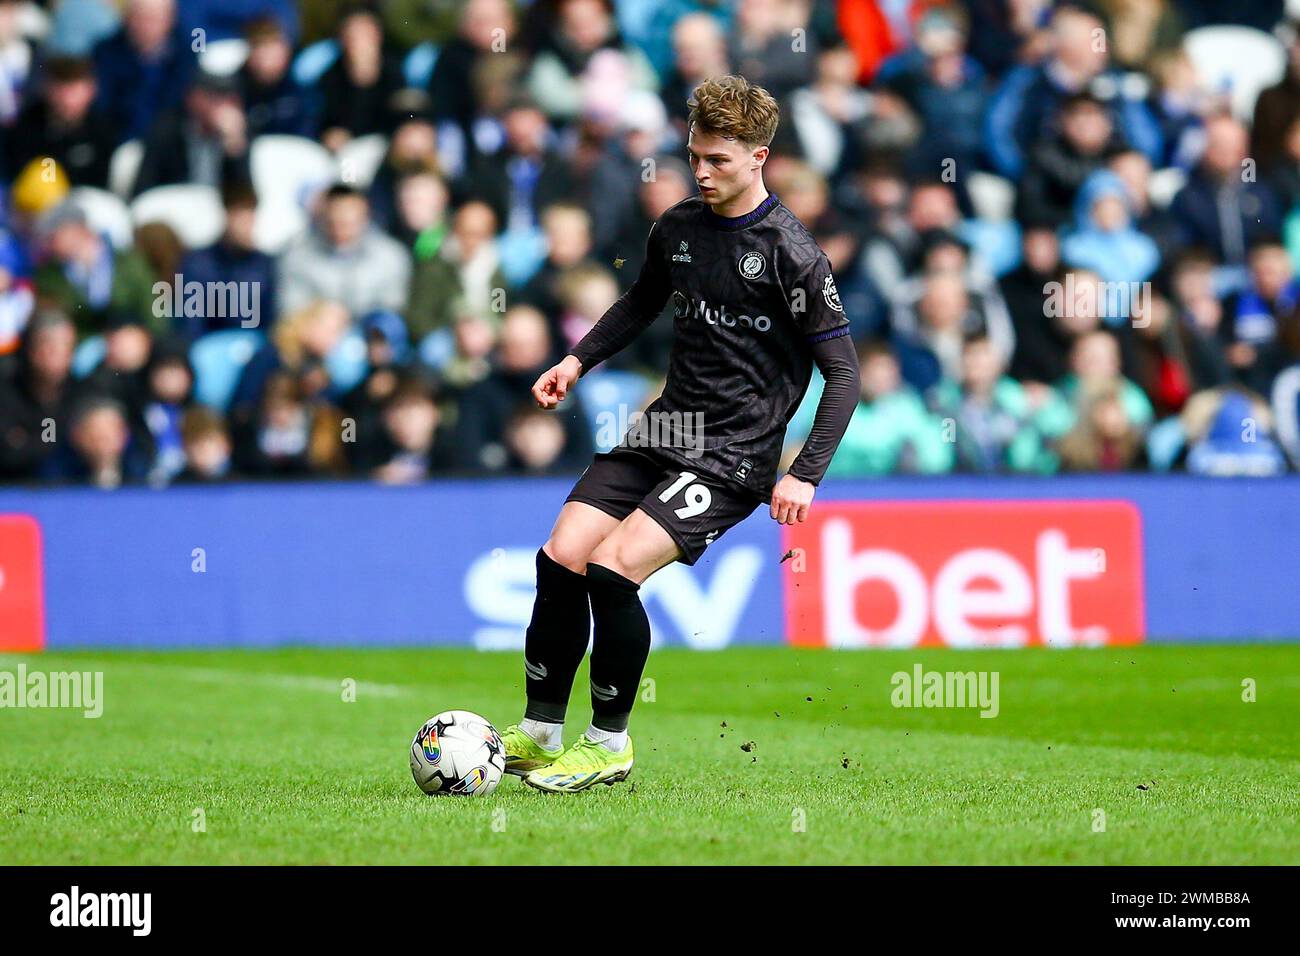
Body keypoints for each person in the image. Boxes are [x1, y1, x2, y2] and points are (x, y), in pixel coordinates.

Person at [499, 75, 859, 793]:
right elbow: (640, 302)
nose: (701, 171)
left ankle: (608, 743)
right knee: (562, 555)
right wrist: (576, 359)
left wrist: (805, 472)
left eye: (718, 160)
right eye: (695, 155)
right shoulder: (679, 228)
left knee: (612, 567)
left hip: (734, 454)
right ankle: (541, 732)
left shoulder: (793, 254)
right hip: (666, 426)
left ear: (760, 157)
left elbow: (844, 375)